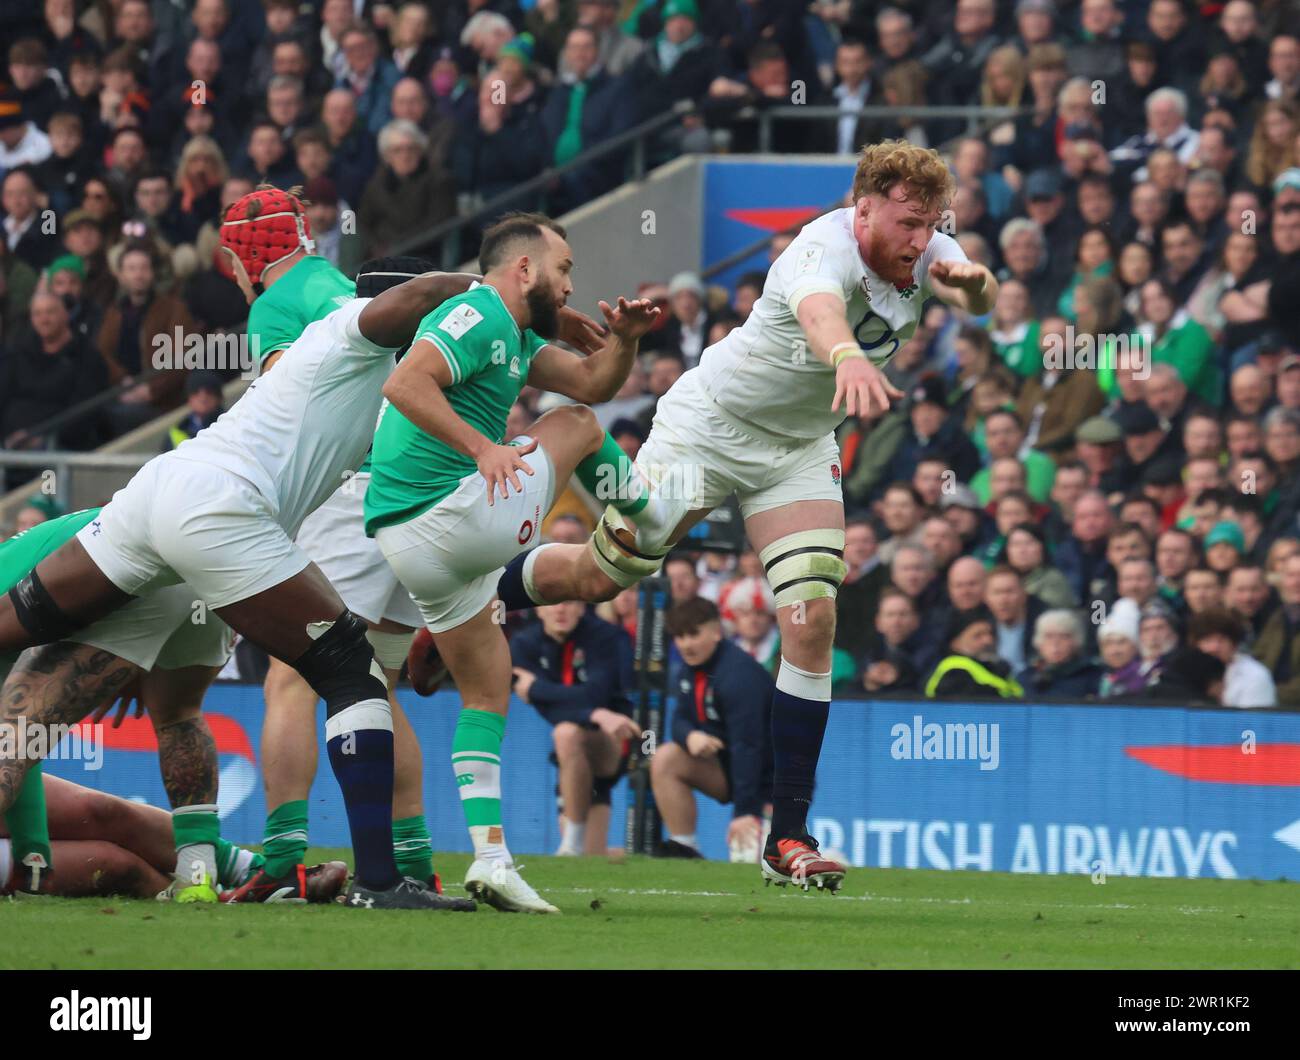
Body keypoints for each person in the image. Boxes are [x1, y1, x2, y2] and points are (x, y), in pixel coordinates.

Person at [0, 188, 527, 912]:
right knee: (351, 675)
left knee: (20, 652)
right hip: (225, 509)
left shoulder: (334, 331)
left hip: (160, 491)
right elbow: (416, 299)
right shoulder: (354, 322)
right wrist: (494, 287)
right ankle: (377, 881)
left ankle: (241, 866)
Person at [494, 140, 999, 893]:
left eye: (931, 225)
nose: (921, 240)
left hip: (795, 448)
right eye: (907, 224)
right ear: (862, 210)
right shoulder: (815, 252)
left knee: (812, 619)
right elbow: (825, 316)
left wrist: (973, 281)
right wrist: (847, 361)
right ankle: (488, 593)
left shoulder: (928, 247)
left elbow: (973, 294)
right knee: (606, 575)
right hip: (711, 427)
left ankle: (786, 832)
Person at [363, 212, 661, 913]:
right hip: (450, 513)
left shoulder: (517, 333)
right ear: (522, 269)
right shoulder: (479, 312)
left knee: (488, 688)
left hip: (413, 544)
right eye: (563, 270)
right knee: (580, 431)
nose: (569, 286)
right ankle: (651, 516)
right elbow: (405, 383)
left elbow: (593, 381)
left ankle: (491, 858)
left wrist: (624, 342)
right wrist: (482, 448)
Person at [509, 600, 638, 857]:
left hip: (616, 739)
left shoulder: (606, 636)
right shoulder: (524, 644)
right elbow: (549, 708)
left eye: (568, 602)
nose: (560, 609)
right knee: (593, 860)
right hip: (573, 752)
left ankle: (570, 845)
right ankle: (616, 854)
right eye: (552, 602)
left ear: (582, 607)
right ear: (538, 608)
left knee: (565, 733)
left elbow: (595, 693)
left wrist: (536, 689)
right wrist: (594, 712)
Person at [653, 597, 774, 864]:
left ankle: (816, 853)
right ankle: (685, 849)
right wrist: (691, 736)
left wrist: (745, 812)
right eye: (680, 636)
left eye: (693, 634)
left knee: (755, 864)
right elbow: (678, 721)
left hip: (774, 783)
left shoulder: (739, 675)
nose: (686, 644)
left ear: (716, 632)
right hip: (729, 769)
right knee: (665, 757)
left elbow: (749, 746)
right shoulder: (691, 669)